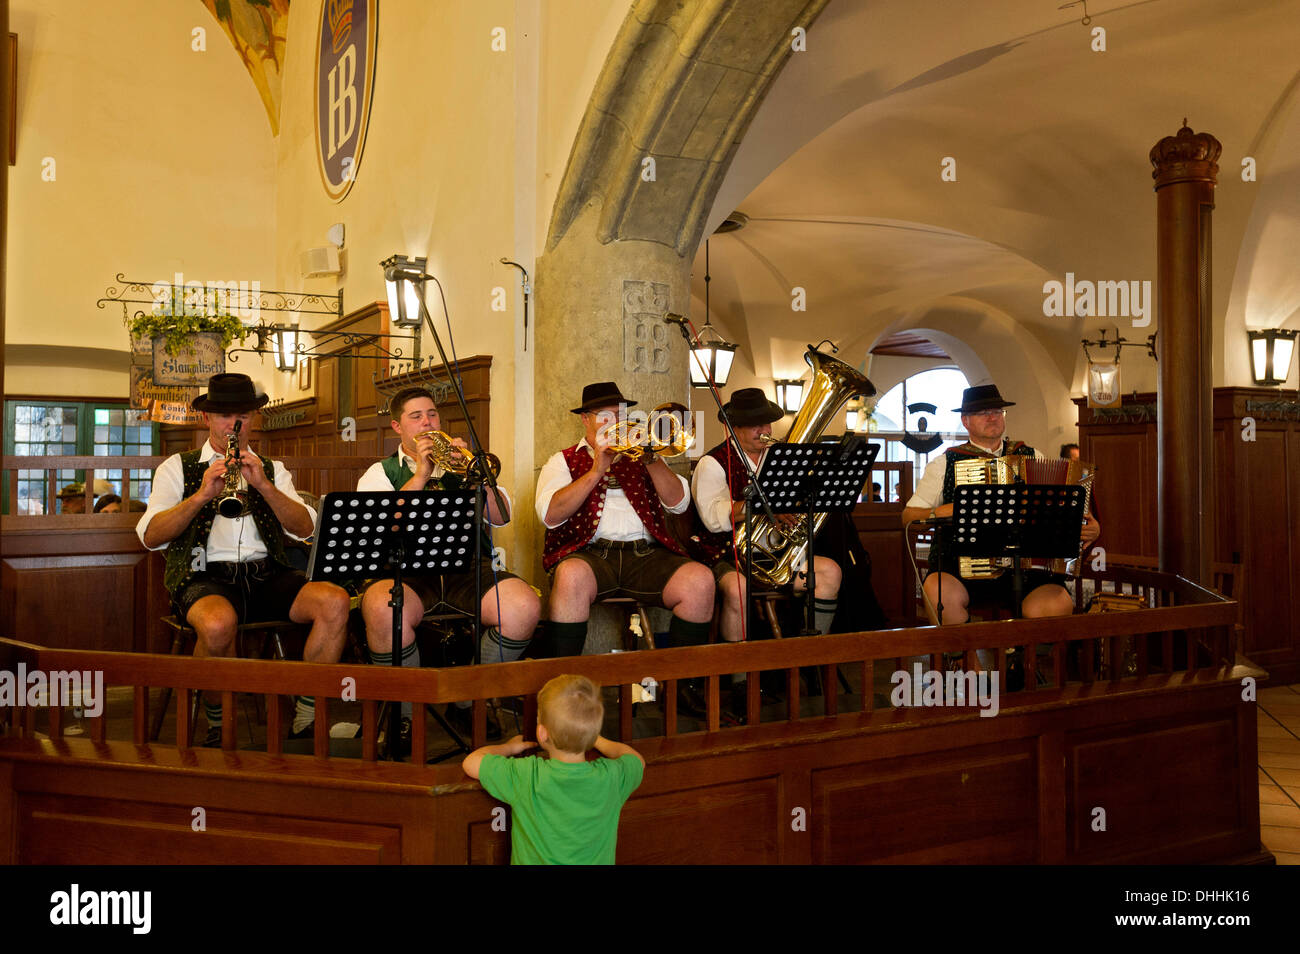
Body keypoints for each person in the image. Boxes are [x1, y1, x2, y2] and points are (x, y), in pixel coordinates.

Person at [136, 373, 351, 745]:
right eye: (224, 415)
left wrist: (264, 486)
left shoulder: (272, 469)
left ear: (253, 420)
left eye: (243, 416)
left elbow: (305, 529)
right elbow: (151, 536)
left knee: (335, 601)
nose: (234, 424)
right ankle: (220, 723)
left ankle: (307, 715)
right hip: (204, 574)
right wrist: (202, 495)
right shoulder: (176, 467)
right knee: (219, 625)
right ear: (207, 419)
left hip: (267, 574)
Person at [357, 386, 540, 746]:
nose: (427, 422)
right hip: (406, 573)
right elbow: (384, 527)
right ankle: (405, 714)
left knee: (524, 606)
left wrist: (476, 474)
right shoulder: (379, 474)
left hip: (465, 568)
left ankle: (471, 697)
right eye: (416, 417)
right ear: (397, 426)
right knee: (381, 608)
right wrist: (422, 474)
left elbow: (501, 516)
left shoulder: (462, 465)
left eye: (432, 415)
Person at [535, 382, 714, 658]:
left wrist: (651, 458)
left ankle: (682, 685)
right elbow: (550, 516)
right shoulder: (562, 461)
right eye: (605, 416)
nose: (614, 422)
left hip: (646, 556)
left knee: (700, 580)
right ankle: (565, 681)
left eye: (619, 414)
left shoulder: (645, 456)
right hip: (590, 555)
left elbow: (679, 504)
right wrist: (597, 470)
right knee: (570, 576)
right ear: (585, 419)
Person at [901, 385, 1100, 625]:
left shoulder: (1031, 455)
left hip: (1029, 571)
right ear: (965, 421)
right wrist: (943, 511)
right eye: (982, 412)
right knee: (937, 591)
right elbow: (908, 517)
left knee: (1057, 604)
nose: (992, 417)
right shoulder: (944, 463)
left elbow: (1064, 510)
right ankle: (967, 660)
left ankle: (1026, 660)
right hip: (962, 570)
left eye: (997, 410)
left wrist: (1090, 528)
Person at [690, 387, 842, 644]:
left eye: (768, 423)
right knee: (737, 589)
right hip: (727, 556)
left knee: (829, 571)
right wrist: (767, 504)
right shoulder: (712, 463)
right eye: (755, 425)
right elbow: (714, 518)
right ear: (734, 427)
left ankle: (811, 655)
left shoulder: (779, 459)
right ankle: (739, 677)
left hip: (773, 557)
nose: (766, 431)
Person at [462, 673, 644, 865]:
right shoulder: (611, 777)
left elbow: (471, 762)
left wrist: (509, 747)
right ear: (593, 731)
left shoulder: (528, 775)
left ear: (542, 733)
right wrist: (593, 738)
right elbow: (636, 760)